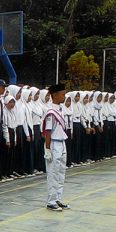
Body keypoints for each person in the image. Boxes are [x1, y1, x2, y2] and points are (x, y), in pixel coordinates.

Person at [42, 83, 69, 212]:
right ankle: (51, 201)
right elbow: (47, 131)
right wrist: (47, 149)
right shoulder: (51, 112)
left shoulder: (60, 109)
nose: (64, 97)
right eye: (62, 94)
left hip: (62, 142)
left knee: (61, 172)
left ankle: (58, 198)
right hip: (53, 143)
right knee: (53, 173)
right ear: (55, 95)